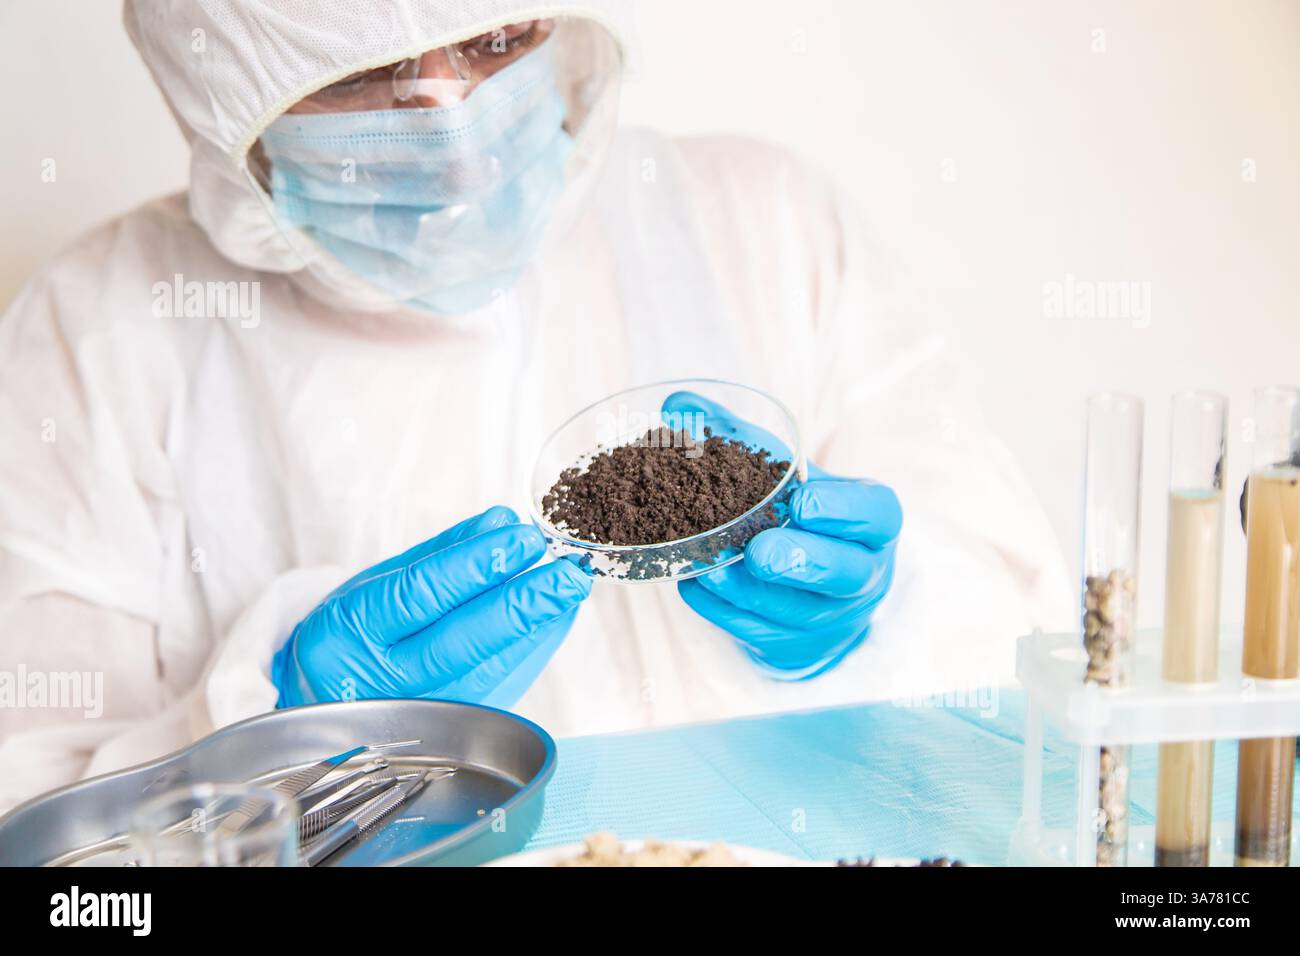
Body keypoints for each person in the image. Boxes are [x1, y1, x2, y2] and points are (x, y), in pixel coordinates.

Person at [0, 0, 1069, 812]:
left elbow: (1032, 663)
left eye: (494, 38)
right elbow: (45, 837)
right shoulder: (99, 327)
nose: (453, 128)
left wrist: (870, 619)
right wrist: (271, 729)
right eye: (363, 72)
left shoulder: (767, 223)